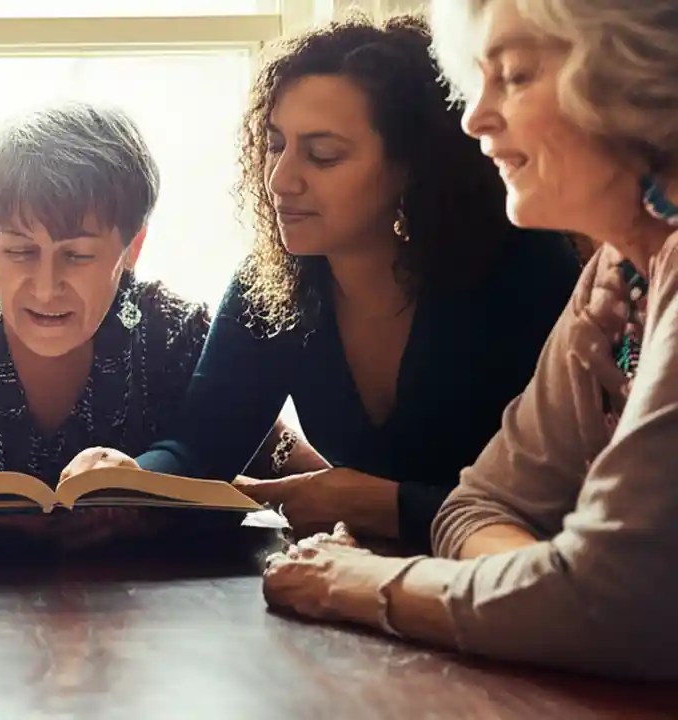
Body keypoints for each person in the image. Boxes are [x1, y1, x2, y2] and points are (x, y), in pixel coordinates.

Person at [260, 0, 678, 680]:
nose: (475, 117)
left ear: (636, 82)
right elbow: (477, 505)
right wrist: (539, 588)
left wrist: (352, 582)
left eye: (512, 76)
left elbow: (609, 604)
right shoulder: (622, 270)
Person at [63, 15, 581, 551]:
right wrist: (132, 479)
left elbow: (561, 504)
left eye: (323, 154)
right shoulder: (274, 282)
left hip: (518, 596)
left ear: (413, 168)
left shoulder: (523, 270)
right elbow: (201, 447)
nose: (280, 179)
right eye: (274, 144)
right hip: (366, 584)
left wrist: (371, 501)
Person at [0, 101, 268, 546]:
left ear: (132, 248)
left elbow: (267, 454)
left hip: (142, 607)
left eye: (77, 255)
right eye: (19, 252)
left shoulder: (175, 333)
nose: (45, 288)